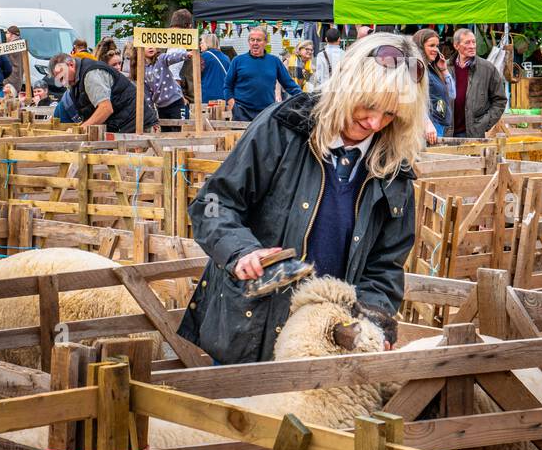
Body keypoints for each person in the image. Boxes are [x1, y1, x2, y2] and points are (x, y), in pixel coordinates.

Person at [180, 32, 426, 364]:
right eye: (368, 106)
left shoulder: (394, 170)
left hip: (325, 342)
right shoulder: (283, 128)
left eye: (390, 115)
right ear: (346, 83)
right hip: (250, 330)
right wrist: (241, 252)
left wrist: (372, 322)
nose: (374, 122)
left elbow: (386, 265)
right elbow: (213, 203)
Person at [48, 50, 146, 133]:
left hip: (135, 126)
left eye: (62, 76)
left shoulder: (91, 74)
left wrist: (81, 129)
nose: (63, 82)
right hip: (122, 126)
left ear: (71, 65)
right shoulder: (76, 81)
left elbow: (105, 108)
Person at [225, 26, 301, 121]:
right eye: (252, 40)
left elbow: (289, 85)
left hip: (266, 113)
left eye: (259, 40)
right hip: (241, 112)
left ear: (265, 42)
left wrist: (304, 97)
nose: (255, 43)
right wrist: (232, 105)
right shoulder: (238, 61)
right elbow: (227, 86)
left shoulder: (274, 61)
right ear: (249, 42)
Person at [449, 27, 507, 138]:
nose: (472, 46)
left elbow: (500, 100)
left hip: (473, 133)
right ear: (456, 46)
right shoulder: (445, 67)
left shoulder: (487, 69)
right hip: (447, 132)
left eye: (473, 42)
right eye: (467, 43)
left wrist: (484, 124)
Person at [414, 29, 453, 142]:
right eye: (431, 45)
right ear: (420, 47)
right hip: (425, 128)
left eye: (437, 46)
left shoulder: (430, 67)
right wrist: (427, 124)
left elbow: (452, 93)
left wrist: (444, 71)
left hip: (438, 124)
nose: (436, 50)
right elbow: (412, 99)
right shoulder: (414, 66)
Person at [140, 46, 188, 120]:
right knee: (165, 130)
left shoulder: (161, 59)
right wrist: (151, 114)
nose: (150, 47)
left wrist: (186, 55)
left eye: (152, 44)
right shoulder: (142, 69)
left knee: (178, 128)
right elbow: (147, 93)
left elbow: (172, 57)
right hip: (161, 106)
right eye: (147, 45)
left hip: (175, 101)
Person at [197, 33, 231, 105]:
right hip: (224, 97)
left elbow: (195, 76)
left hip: (207, 97)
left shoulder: (203, 56)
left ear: (207, 43)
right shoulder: (226, 58)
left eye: (202, 43)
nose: (200, 45)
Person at [309, 26, 344, 90]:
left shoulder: (321, 55)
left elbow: (319, 76)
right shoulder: (345, 54)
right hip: (341, 90)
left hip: (325, 90)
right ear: (339, 39)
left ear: (326, 39)